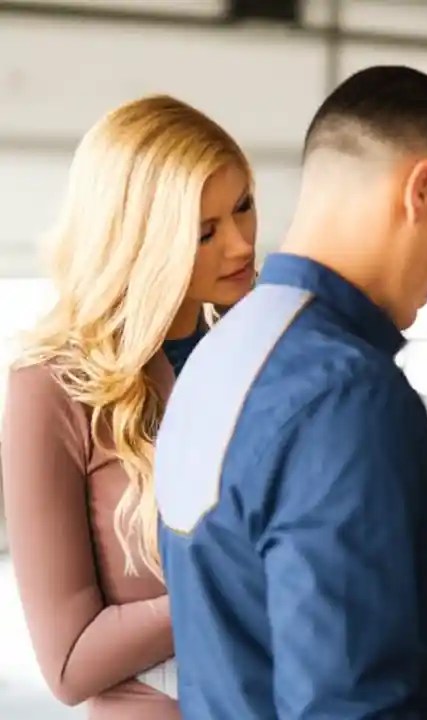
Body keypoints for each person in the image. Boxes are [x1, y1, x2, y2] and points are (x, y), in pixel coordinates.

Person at [152, 65, 427, 719]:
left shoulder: (224, 352)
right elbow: (347, 704)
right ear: (421, 190)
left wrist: (415, 621)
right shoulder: (345, 392)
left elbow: (251, 614)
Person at [0, 94, 258, 719]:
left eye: (244, 206)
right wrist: (243, 581)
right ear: (139, 241)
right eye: (204, 232)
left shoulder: (261, 348)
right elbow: (69, 664)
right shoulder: (52, 387)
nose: (240, 245)